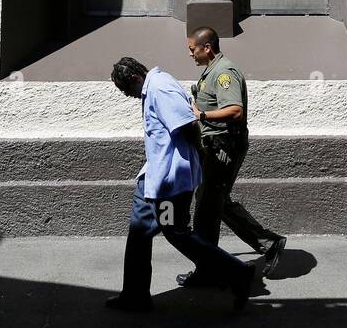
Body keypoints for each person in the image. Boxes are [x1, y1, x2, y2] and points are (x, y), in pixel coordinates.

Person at [105, 56, 256, 312]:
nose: (127, 96)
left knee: (176, 233)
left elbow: (187, 125)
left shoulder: (160, 88)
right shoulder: (154, 86)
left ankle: (237, 273)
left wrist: (200, 153)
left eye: (125, 89)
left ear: (134, 78)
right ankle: (135, 294)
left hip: (169, 180)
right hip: (154, 177)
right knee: (140, 233)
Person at [178, 27, 287, 288]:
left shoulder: (224, 72)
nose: (190, 54)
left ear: (207, 48)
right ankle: (268, 243)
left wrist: (201, 116)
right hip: (214, 147)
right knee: (216, 202)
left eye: (193, 49)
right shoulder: (211, 71)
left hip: (223, 148)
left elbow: (234, 110)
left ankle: (207, 270)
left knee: (206, 207)